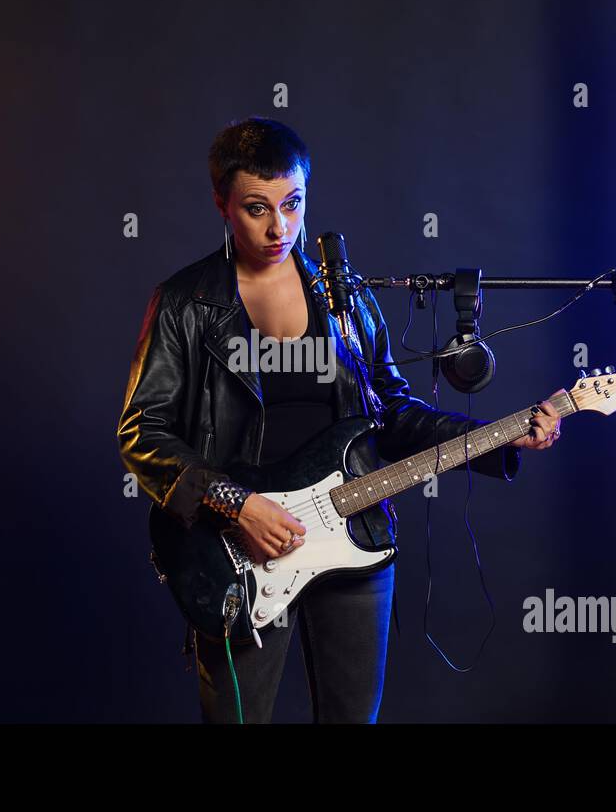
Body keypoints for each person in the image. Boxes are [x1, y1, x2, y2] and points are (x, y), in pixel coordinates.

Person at [117, 116, 563, 723]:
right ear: (222, 203)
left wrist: (504, 435)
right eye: (256, 208)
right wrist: (237, 504)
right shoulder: (185, 303)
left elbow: (394, 413)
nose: (279, 227)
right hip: (237, 552)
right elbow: (144, 431)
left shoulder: (345, 299)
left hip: (353, 538)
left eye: (292, 204)